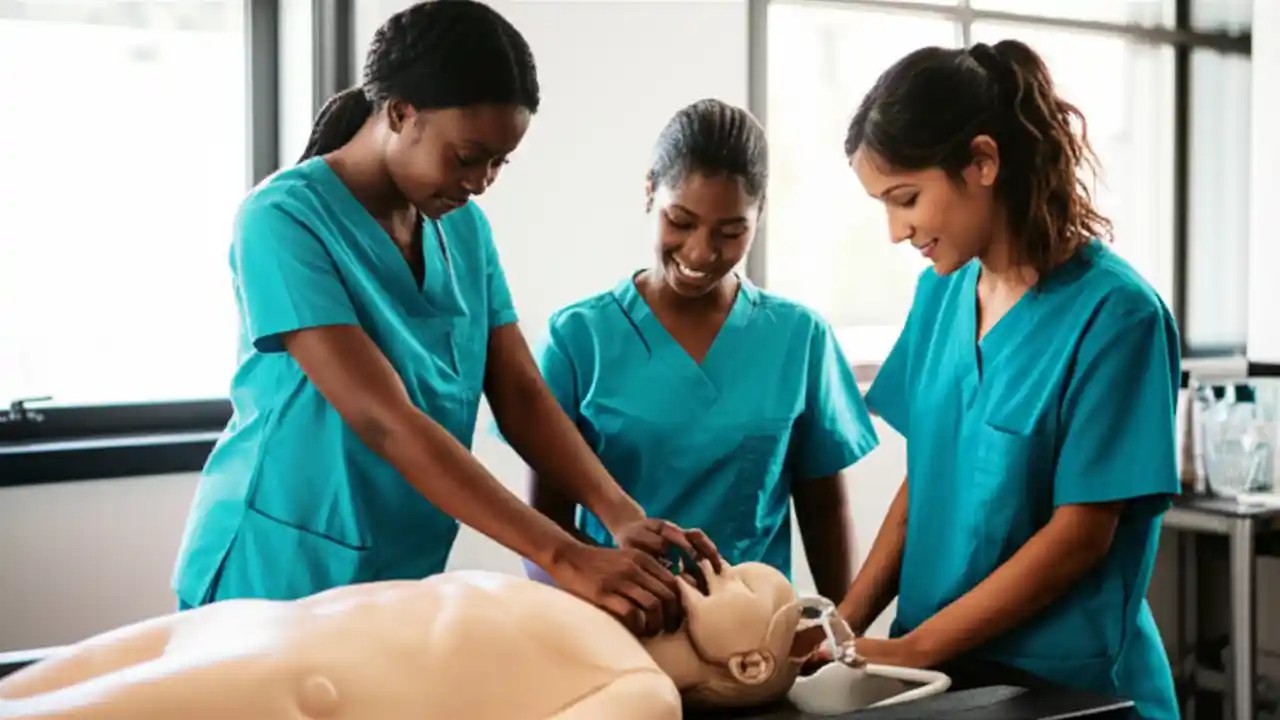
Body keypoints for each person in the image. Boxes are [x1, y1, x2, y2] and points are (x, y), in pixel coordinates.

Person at [170, 0, 719, 639]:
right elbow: (384, 418)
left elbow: (519, 392)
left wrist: (620, 512)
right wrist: (565, 555)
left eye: (499, 162)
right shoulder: (282, 220)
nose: (481, 182)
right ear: (400, 113)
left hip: (398, 572)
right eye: (467, 157)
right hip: (273, 571)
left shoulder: (463, 229)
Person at [829, 40, 1181, 719]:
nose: (896, 231)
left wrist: (915, 647)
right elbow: (926, 480)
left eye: (906, 199)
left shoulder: (1117, 316)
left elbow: (1081, 535)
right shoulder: (941, 294)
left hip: (1065, 690)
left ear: (983, 162)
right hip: (939, 680)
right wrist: (843, 628)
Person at [525, 99, 879, 602]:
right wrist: (612, 602)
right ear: (650, 191)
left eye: (731, 232)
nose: (700, 251)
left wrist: (842, 626)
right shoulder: (578, 338)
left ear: (759, 215)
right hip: (616, 622)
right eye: (681, 221)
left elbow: (823, 509)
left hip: (754, 626)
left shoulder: (799, 337)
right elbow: (545, 527)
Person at [0, 561, 808, 720]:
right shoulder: (594, 607)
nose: (721, 561)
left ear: (748, 663)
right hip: (244, 621)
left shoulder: (645, 695)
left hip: (297, 683)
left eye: (747, 582)